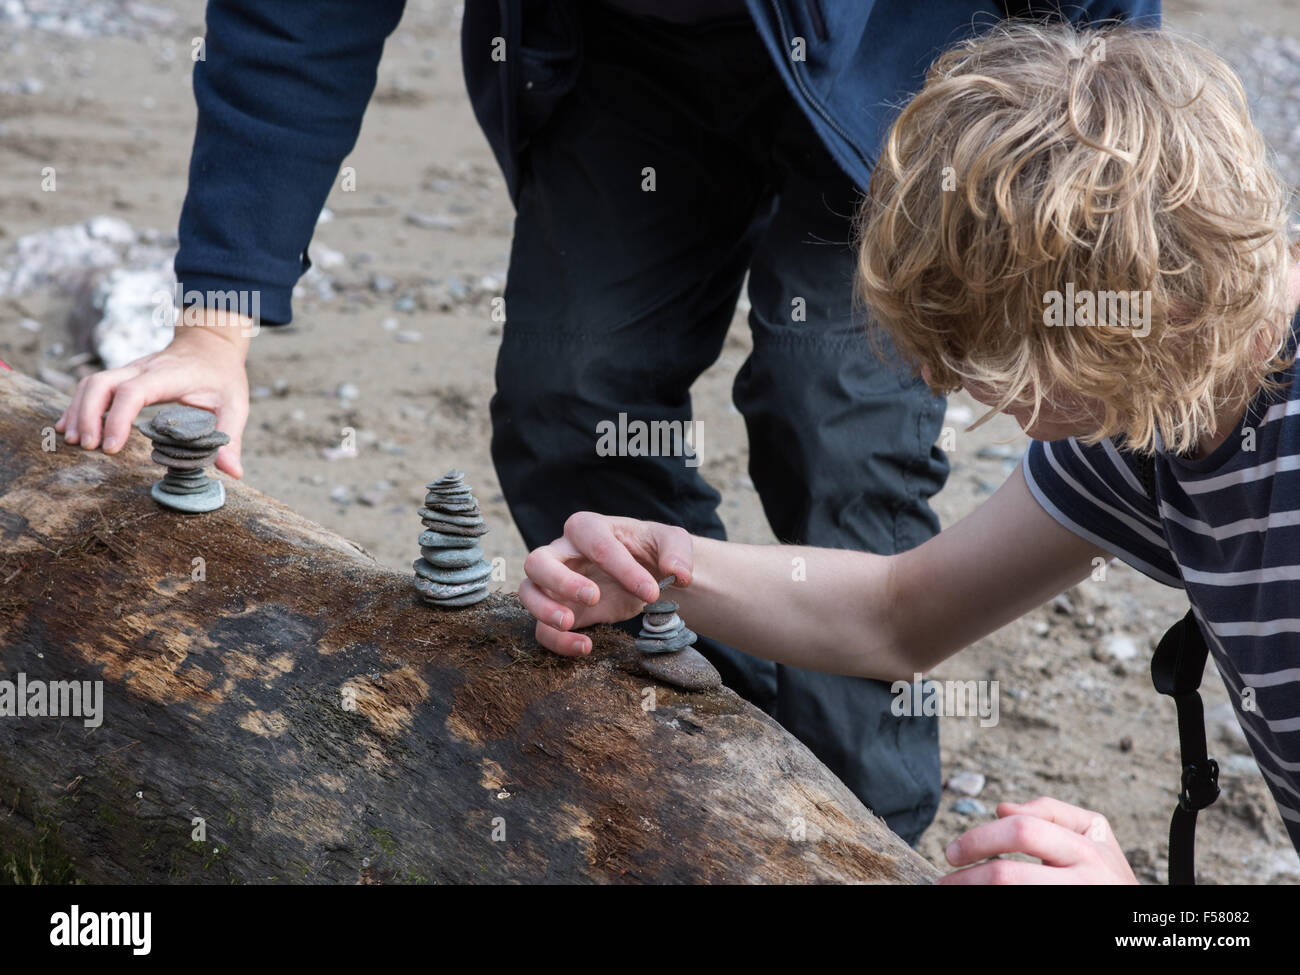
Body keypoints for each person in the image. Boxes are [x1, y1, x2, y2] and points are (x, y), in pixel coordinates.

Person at [52, 0, 1156, 846]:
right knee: (567, 400)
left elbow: (1107, 40)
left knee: (836, 428)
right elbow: (301, 15)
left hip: (915, 63)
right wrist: (217, 320)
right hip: (630, 61)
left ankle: (862, 826)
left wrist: (1103, 176)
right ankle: (685, 767)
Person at [519, 21, 1300, 882]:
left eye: (981, 355)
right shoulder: (1156, 408)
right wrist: (669, 571)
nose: (941, 376)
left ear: (1135, 318)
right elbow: (899, 613)